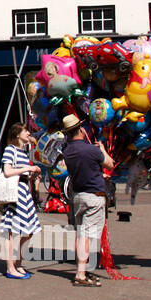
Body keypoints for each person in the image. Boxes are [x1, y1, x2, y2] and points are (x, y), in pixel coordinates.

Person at [62, 114, 114, 286]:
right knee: (87, 237)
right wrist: (102, 149)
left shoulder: (67, 151)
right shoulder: (91, 150)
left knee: (80, 234)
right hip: (93, 197)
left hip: (78, 196)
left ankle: (82, 270)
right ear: (82, 130)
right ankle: (80, 274)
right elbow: (110, 163)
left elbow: (87, 168)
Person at [0, 122, 41, 278]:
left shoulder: (23, 152)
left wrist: (32, 175)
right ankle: (11, 268)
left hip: (24, 193)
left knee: (29, 230)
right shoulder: (10, 150)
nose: (29, 133)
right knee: (11, 231)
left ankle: (18, 263)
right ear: (17, 134)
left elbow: (20, 173)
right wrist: (28, 169)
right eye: (25, 131)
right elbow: (7, 171)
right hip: (14, 195)